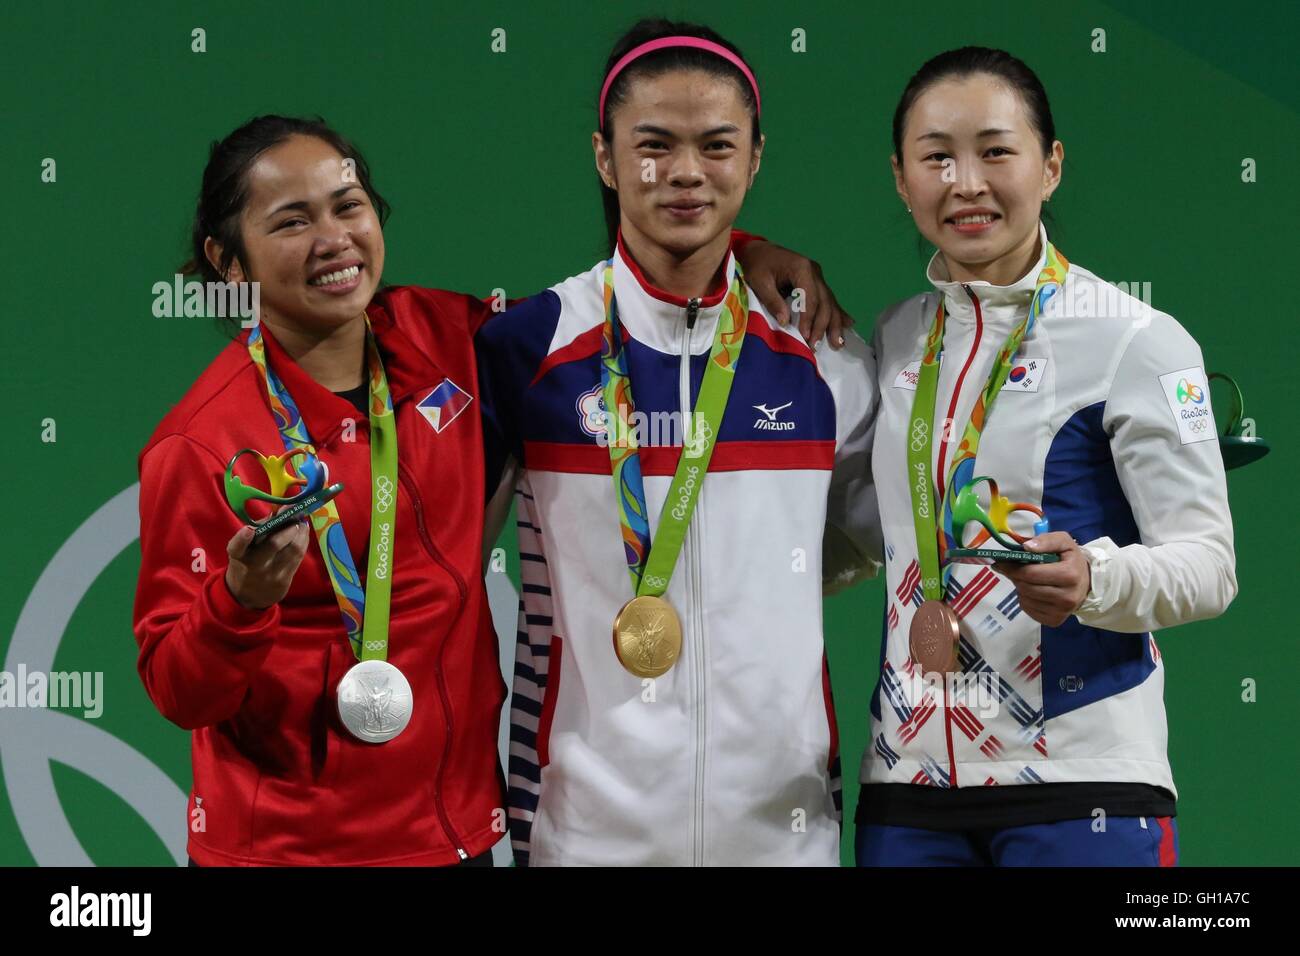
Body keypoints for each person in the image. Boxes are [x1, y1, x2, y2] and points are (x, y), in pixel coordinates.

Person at [133, 114, 855, 866]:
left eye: (347, 206)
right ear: (229, 261)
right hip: (285, 853)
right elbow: (179, 691)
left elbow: (623, 300)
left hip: (456, 841)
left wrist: (739, 248)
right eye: (291, 220)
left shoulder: (451, 340)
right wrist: (238, 602)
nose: (332, 238)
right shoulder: (200, 444)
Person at [477, 19, 880, 866]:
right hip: (582, 833)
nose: (686, 172)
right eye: (653, 144)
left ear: (756, 158)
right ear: (605, 158)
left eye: (717, 145)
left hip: (785, 833)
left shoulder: (825, 358)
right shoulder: (527, 349)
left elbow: (898, 541)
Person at [856, 47, 1237, 866]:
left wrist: (1097, 579)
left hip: (1084, 789)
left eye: (996, 151)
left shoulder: (1140, 340)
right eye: (936, 157)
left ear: (1050, 165)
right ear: (901, 177)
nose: (966, 183)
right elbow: (863, 541)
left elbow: (1211, 566)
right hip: (905, 796)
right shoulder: (891, 342)